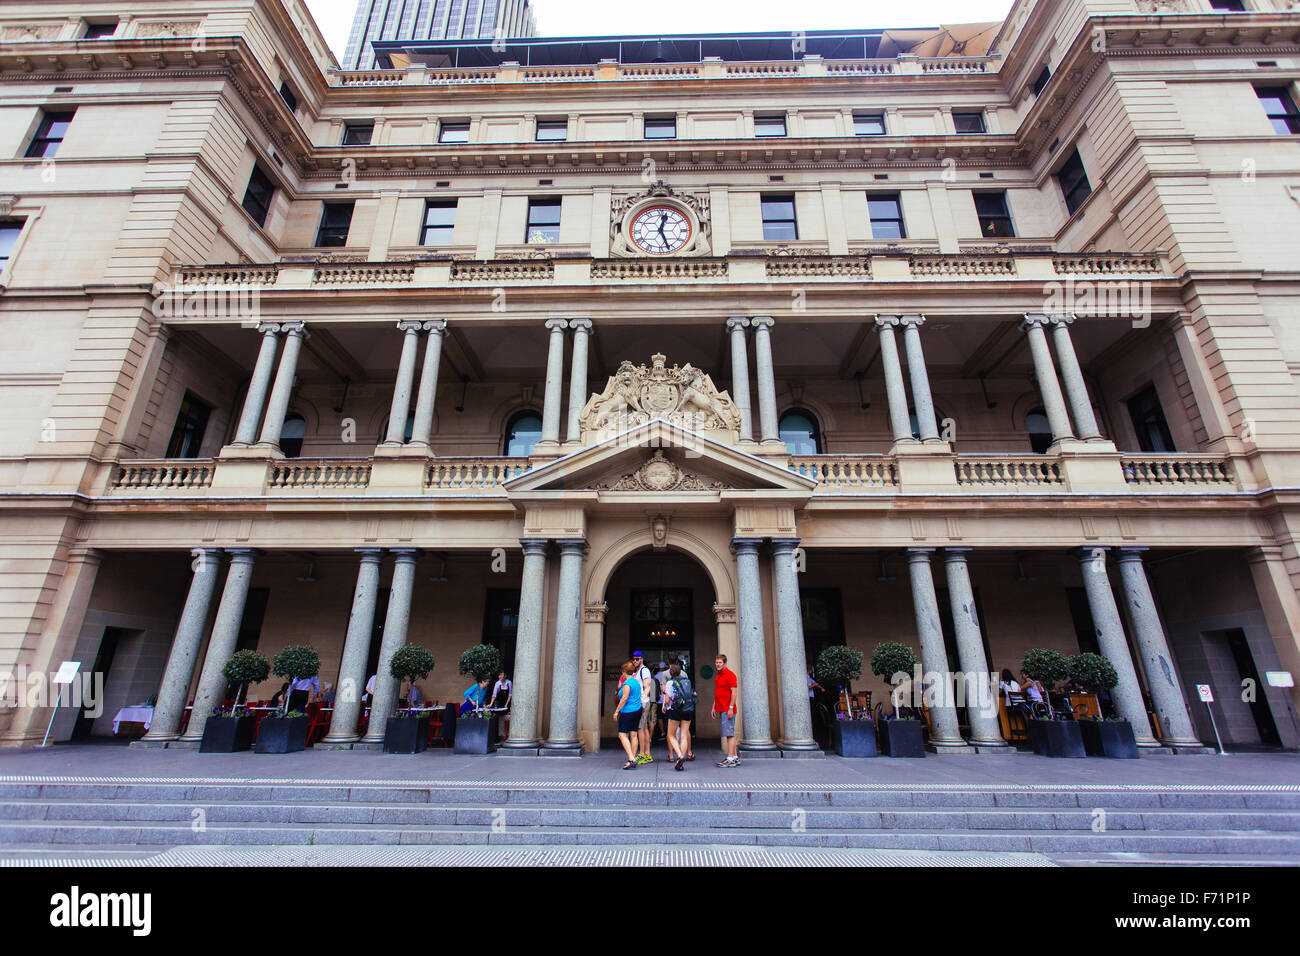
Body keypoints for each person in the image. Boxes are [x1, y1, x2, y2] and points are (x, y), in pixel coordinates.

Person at [662, 661, 696, 771]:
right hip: (688, 710)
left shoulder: (670, 683)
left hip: (675, 710)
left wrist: (665, 705)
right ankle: (680, 759)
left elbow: (667, 700)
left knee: (671, 735)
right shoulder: (687, 682)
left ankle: (680, 755)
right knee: (684, 735)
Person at [615, 659, 643, 770]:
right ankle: (633, 758)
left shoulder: (627, 684)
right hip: (637, 710)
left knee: (622, 734)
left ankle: (631, 758)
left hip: (628, 711)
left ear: (624, 672)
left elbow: (624, 698)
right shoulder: (636, 681)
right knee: (634, 734)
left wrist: (617, 711)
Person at [713, 653, 739, 767]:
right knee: (728, 733)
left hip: (727, 708)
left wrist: (731, 708)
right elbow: (718, 692)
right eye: (716, 662)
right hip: (721, 707)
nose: (718, 664)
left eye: (720, 663)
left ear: (725, 663)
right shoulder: (718, 676)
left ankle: (730, 758)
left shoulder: (730, 675)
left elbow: (734, 692)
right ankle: (734, 757)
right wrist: (713, 706)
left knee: (729, 733)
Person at [632, 651, 655, 764]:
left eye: (637, 659)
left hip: (643, 702)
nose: (635, 661)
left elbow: (647, 686)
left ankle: (641, 754)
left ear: (641, 659)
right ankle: (647, 754)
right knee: (644, 728)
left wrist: (643, 702)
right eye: (634, 659)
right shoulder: (638, 671)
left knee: (641, 728)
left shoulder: (644, 670)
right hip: (642, 702)